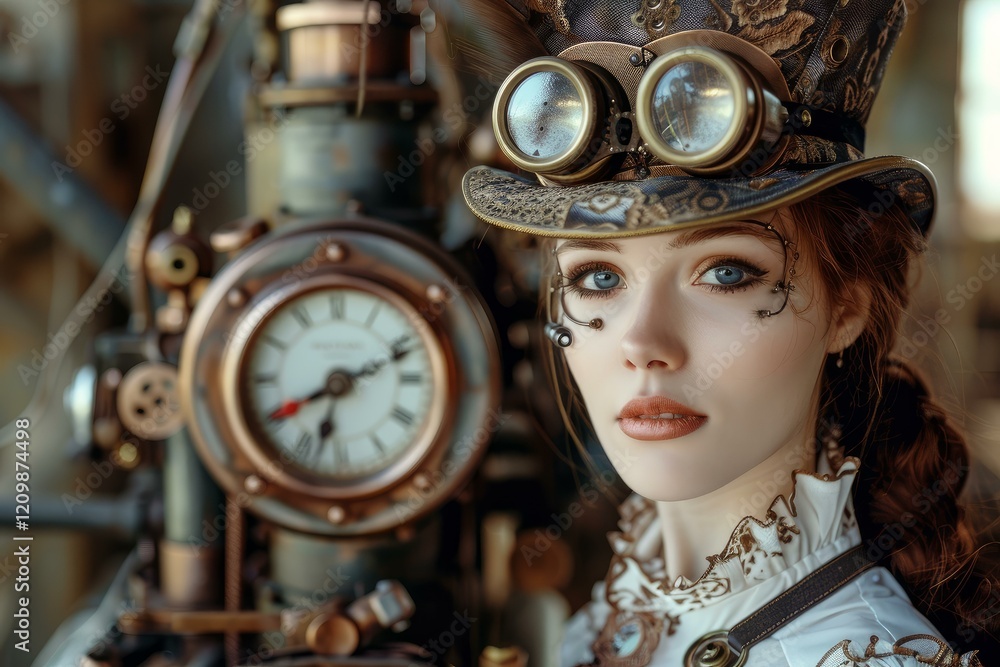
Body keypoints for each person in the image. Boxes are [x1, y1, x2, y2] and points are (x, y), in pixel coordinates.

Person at [458, 0, 1000, 665]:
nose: (643, 343)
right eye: (598, 279)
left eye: (725, 272)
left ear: (847, 309)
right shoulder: (609, 615)